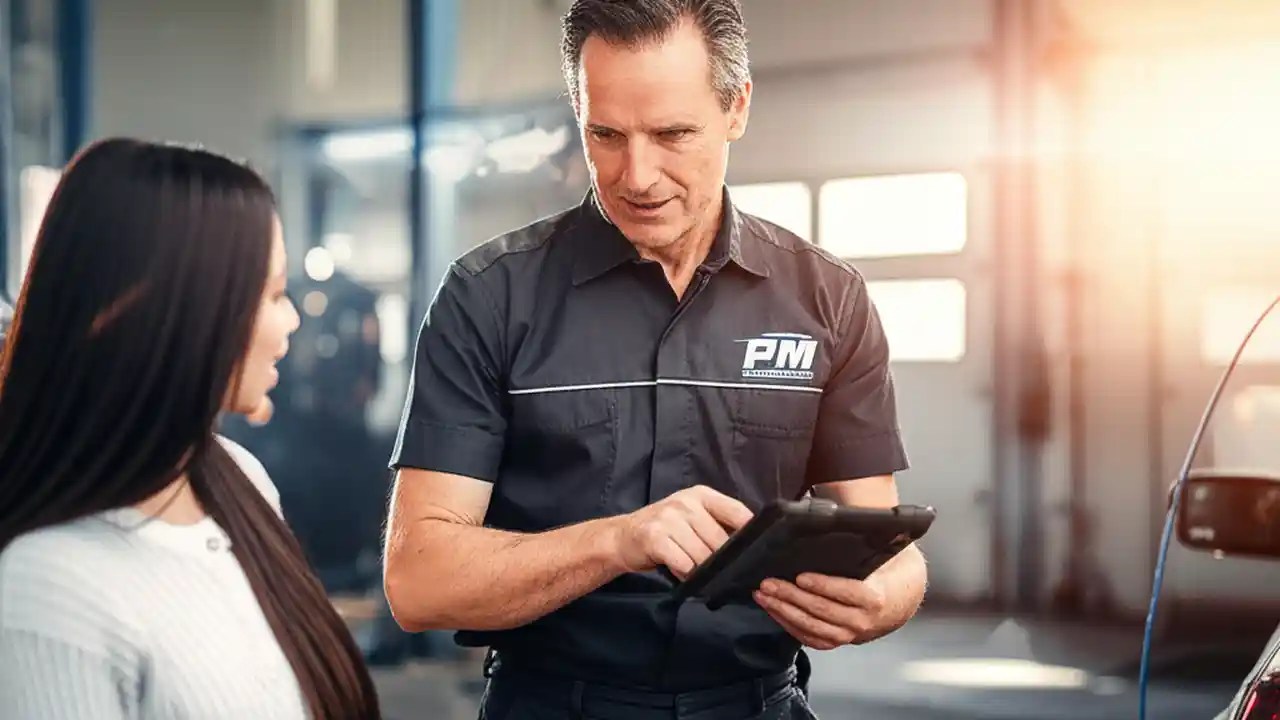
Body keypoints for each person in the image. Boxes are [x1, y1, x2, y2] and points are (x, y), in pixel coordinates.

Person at [383, 1, 928, 718]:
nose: (637, 176)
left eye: (673, 134)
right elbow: (419, 581)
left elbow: (887, 541)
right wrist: (619, 541)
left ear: (737, 107)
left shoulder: (827, 299)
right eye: (605, 134)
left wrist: (884, 598)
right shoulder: (487, 299)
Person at [0, 138, 381, 719]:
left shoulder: (240, 479)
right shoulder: (49, 590)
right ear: (167, 309)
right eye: (273, 294)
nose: (291, 321)